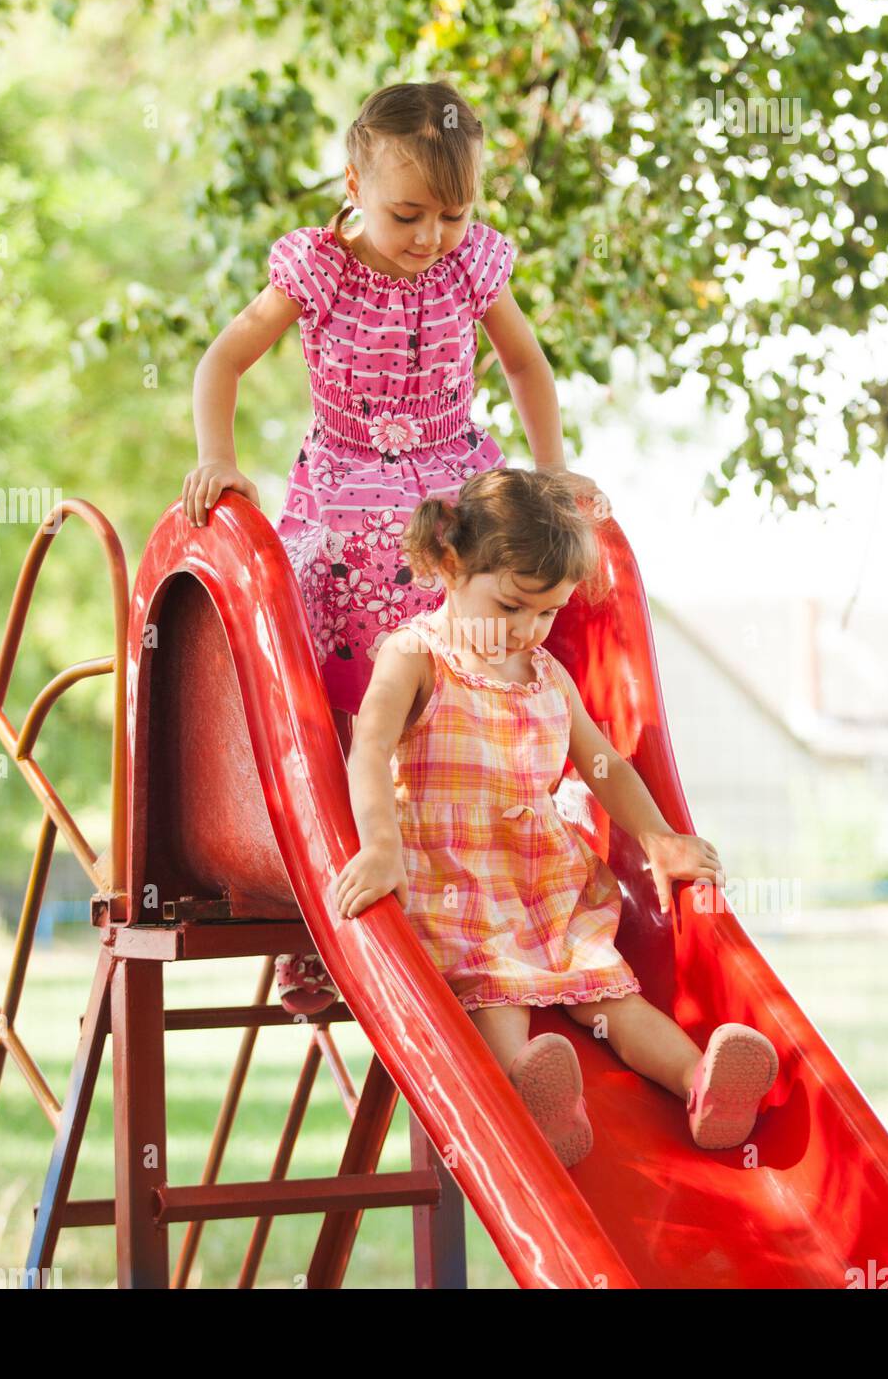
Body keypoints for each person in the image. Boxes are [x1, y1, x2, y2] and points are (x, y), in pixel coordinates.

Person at [181, 82, 605, 1012]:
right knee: (320, 613)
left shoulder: (470, 269)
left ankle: (512, 822)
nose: (429, 237)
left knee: (514, 585)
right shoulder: (318, 270)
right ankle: (338, 884)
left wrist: (554, 473)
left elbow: (528, 366)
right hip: (345, 491)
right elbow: (223, 359)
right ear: (356, 184)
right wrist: (222, 462)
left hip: (453, 484)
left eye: (453, 215)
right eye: (407, 213)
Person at [329, 468, 779, 1165]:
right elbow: (370, 749)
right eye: (511, 607)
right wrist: (379, 847)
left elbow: (606, 767)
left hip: (541, 876)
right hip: (455, 882)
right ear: (451, 565)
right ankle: (534, 1099)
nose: (527, 630)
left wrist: (659, 838)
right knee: (495, 997)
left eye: (547, 614)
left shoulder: (546, 674)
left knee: (611, 994)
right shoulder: (417, 656)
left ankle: (702, 1085)